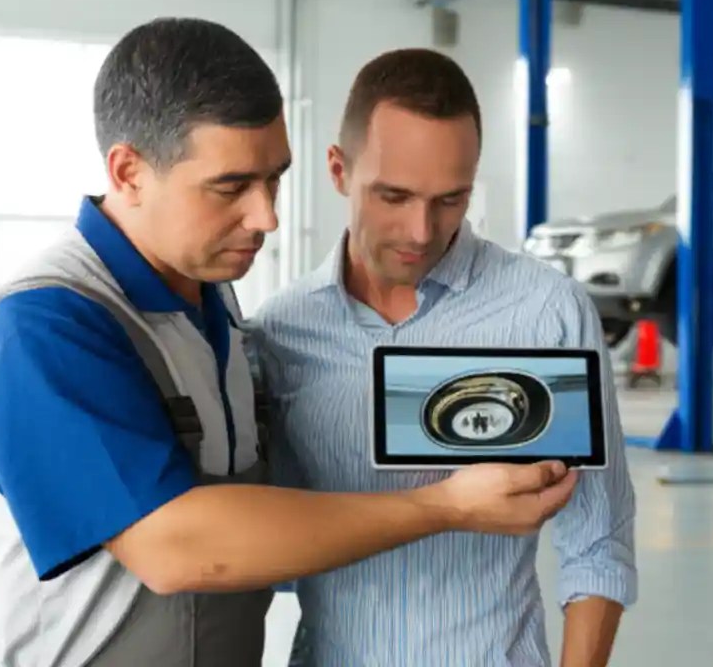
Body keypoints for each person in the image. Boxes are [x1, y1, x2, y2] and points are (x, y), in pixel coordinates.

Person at [0, 18, 579, 667]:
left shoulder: (212, 305)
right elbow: (177, 548)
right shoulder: (45, 326)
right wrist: (444, 506)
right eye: (231, 187)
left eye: (273, 178)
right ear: (129, 171)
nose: (267, 217)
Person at [250, 49, 637, 666]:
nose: (422, 232)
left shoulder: (547, 313)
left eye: (451, 199)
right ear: (338, 169)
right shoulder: (281, 332)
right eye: (393, 196)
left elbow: (599, 539)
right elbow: (271, 541)